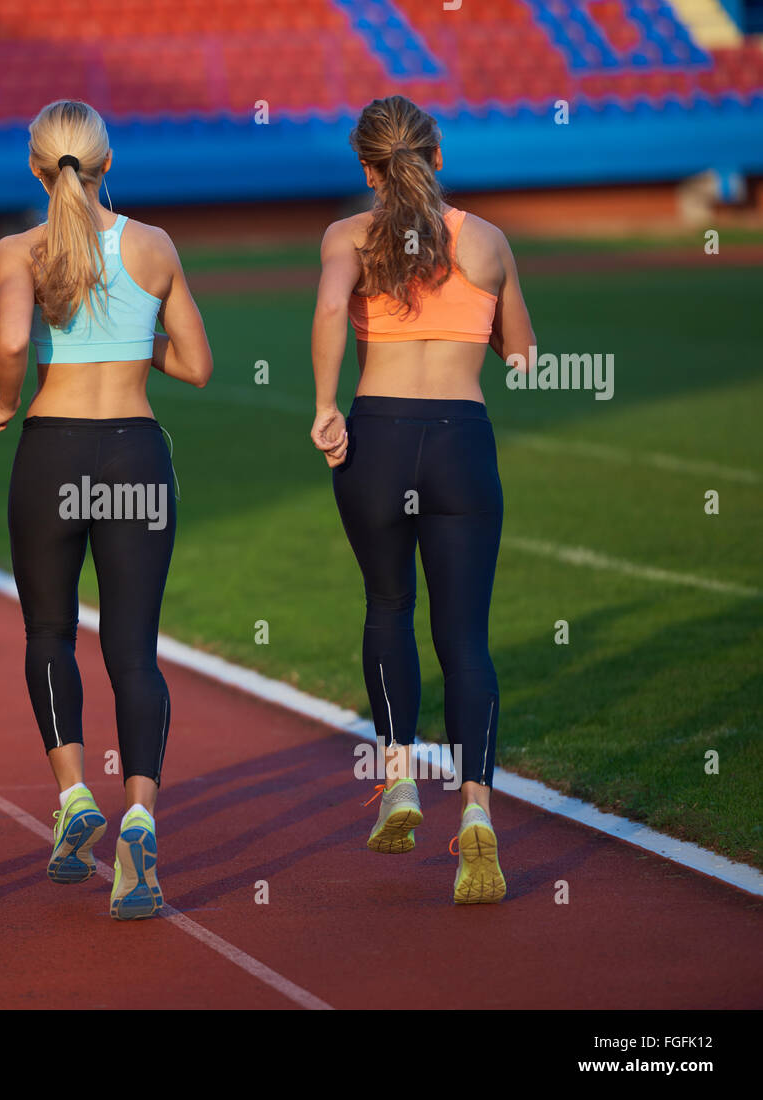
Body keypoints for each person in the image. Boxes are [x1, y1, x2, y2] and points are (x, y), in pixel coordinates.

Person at [0, 100, 212, 919]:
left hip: (53, 450)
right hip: (134, 452)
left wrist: (6, 400)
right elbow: (197, 366)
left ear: (36, 170)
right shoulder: (153, 246)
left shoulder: (21, 249)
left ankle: (76, 796)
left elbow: (12, 344)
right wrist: (132, 331)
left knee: (49, 632)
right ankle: (141, 815)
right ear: (107, 162)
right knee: (133, 648)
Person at [310, 96, 534, 904]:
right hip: (461, 443)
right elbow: (521, 352)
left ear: (367, 170)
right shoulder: (488, 241)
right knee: (465, 639)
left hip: (377, 438)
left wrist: (325, 405)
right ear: (437, 160)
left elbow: (334, 306)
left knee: (385, 608)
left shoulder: (349, 237)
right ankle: (476, 811)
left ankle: (399, 778)